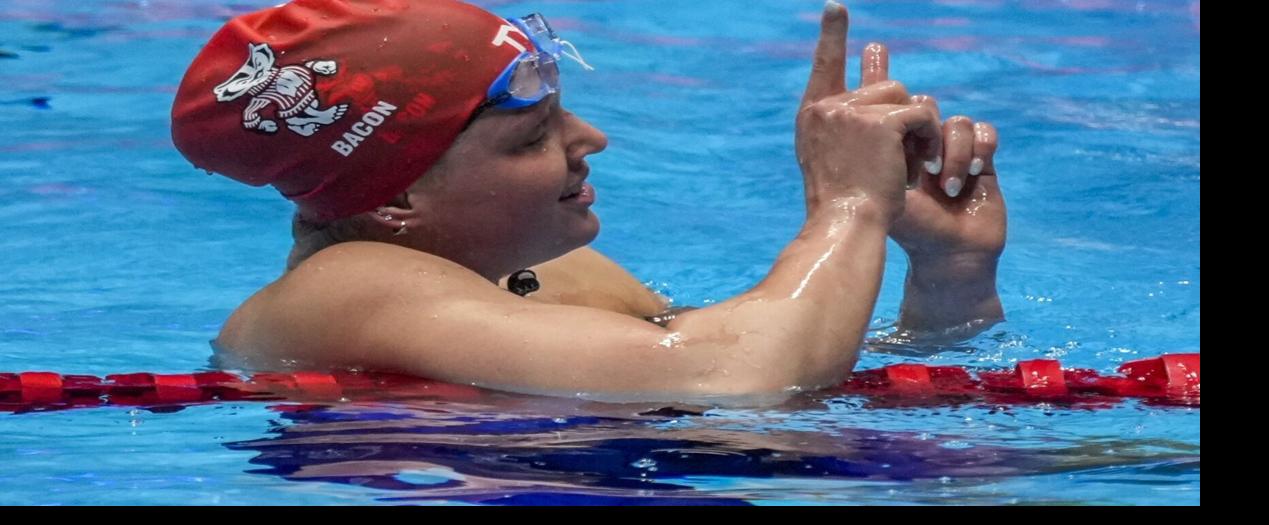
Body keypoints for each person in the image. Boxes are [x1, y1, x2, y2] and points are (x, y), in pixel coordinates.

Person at [173, 0, 1007, 399]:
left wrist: (946, 274)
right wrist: (845, 210)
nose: (590, 138)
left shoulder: (568, 281)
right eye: (531, 136)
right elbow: (736, 379)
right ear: (395, 200)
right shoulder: (345, 285)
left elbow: (797, 362)